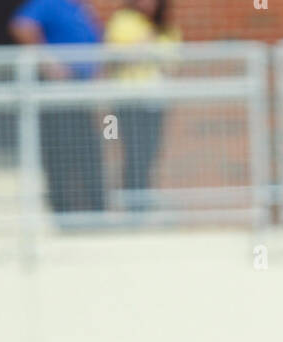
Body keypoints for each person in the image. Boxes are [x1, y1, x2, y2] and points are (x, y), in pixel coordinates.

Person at [9, 0, 105, 215]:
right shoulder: (49, 3)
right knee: (60, 153)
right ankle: (63, 212)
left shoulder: (82, 7)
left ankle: (96, 211)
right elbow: (22, 26)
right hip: (59, 93)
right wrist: (49, 62)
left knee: (90, 152)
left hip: (82, 94)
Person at [104, 0, 180, 203]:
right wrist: (144, 44)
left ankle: (143, 201)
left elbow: (171, 64)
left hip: (155, 101)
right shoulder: (123, 20)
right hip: (129, 99)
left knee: (150, 153)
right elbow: (116, 56)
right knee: (133, 153)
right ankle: (132, 203)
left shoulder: (165, 27)